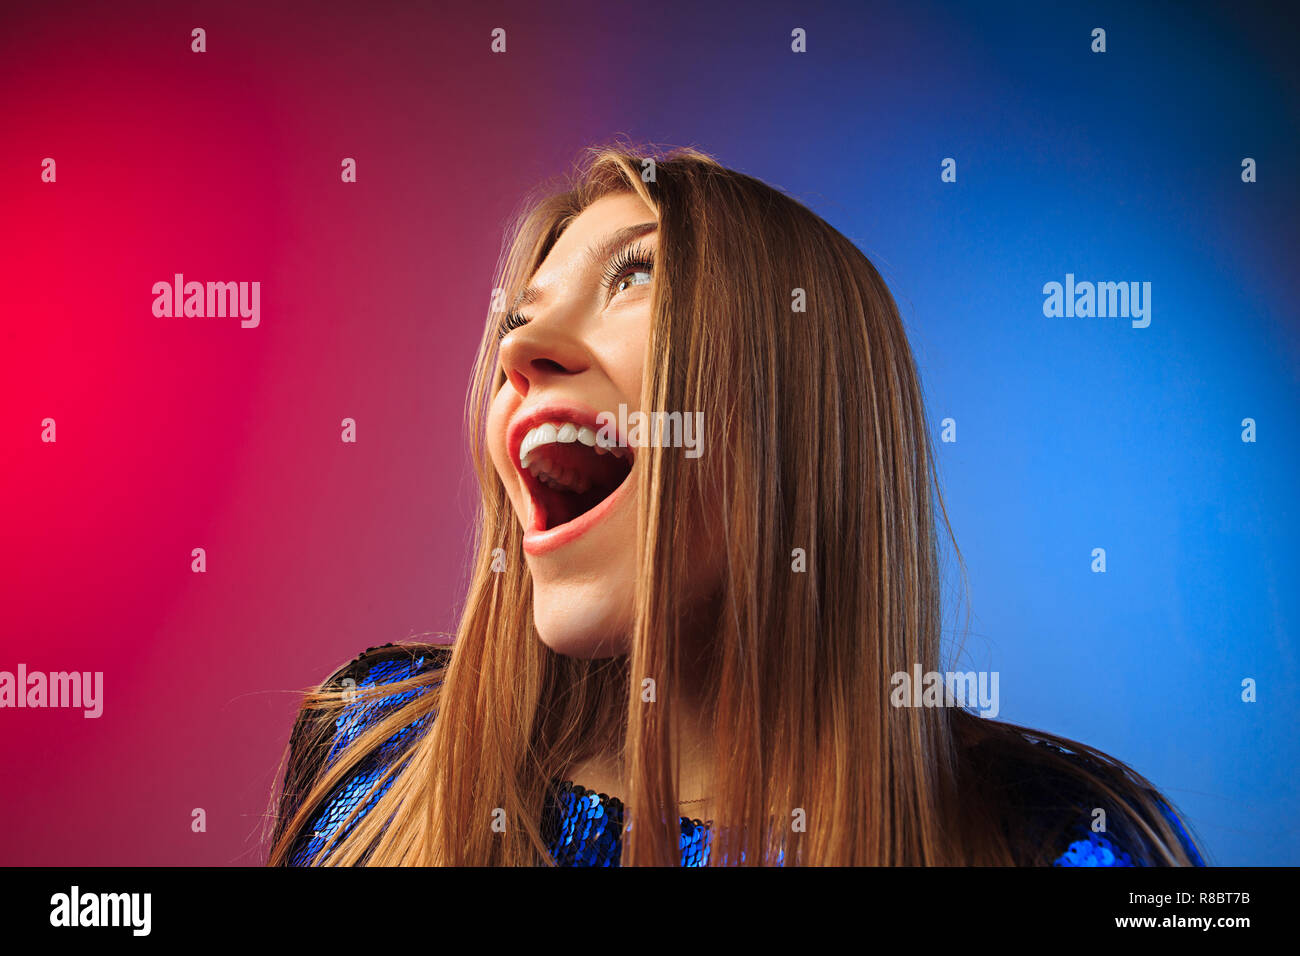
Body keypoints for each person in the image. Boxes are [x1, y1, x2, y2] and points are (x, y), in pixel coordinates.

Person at [268, 145, 1204, 867]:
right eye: (515, 317)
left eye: (635, 276)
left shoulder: (1054, 838)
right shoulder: (374, 751)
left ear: (799, 393)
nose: (522, 349)